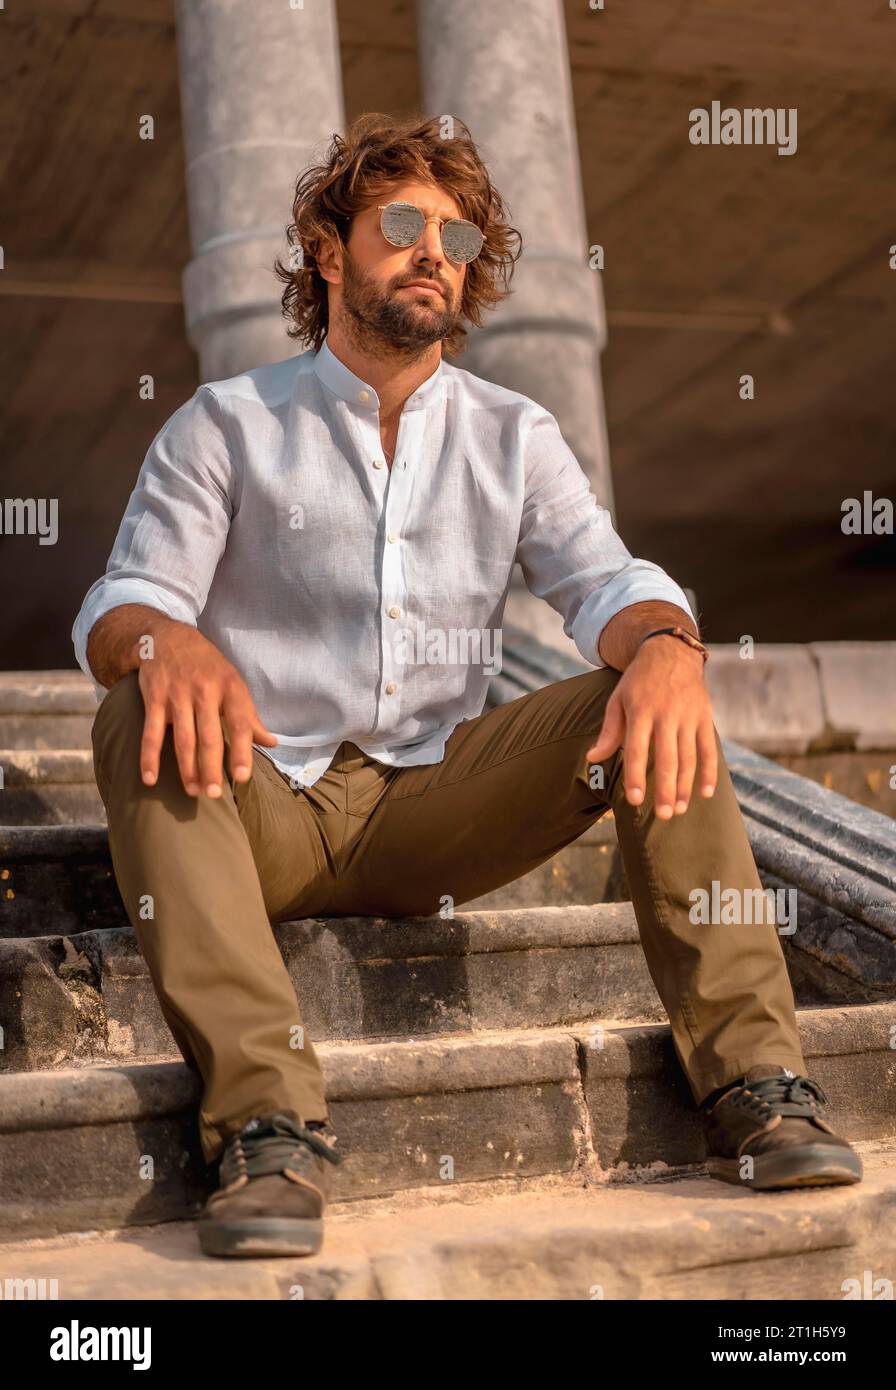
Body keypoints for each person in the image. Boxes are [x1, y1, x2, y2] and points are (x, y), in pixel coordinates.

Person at [73, 113, 861, 1261]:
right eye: (398, 222)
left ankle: (753, 1084)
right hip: (258, 812)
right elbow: (123, 601)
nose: (432, 247)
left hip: (430, 806)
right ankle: (264, 1125)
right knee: (140, 698)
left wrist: (664, 646)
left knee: (649, 686)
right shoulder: (228, 426)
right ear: (328, 251)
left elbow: (606, 582)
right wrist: (160, 643)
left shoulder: (511, 435)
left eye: (455, 232)